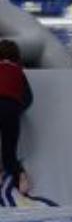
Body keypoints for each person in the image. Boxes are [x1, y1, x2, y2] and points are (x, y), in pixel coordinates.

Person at [0, 40, 32, 194]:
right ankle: (21, 178)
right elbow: (29, 97)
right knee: (9, 153)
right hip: (11, 109)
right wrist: (17, 109)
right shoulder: (19, 72)